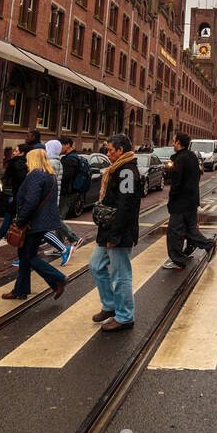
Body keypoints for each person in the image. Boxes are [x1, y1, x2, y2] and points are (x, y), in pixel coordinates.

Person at [89, 134, 141, 332]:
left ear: (121, 150)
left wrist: (115, 236)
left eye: (110, 150)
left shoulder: (127, 171)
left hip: (119, 232)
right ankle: (110, 305)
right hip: (108, 230)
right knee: (96, 265)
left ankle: (125, 316)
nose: (108, 153)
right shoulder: (117, 169)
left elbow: (125, 206)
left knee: (121, 275)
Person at [1, 148, 67, 301]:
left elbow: (31, 201)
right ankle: (20, 289)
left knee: (29, 256)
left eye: (28, 159)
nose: (26, 163)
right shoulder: (49, 175)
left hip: (33, 223)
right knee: (24, 256)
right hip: (42, 222)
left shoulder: (36, 175)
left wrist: (21, 221)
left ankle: (58, 278)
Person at [164, 132, 215, 270]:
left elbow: (176, 183)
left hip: (180, 202)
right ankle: (208, 245)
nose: (172, 144)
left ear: (179, 142)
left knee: (174, 232)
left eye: (174, 141)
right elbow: (198, 174)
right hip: (192, 200)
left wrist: (172, 200)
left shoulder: (180, 159)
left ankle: (178, 260)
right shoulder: (192, 156)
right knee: (191, 229)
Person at [0, 145, 28, 249]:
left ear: (22, 153)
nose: (14, 153)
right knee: (10, 216)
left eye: (16, 151)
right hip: (19, 194)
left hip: (17, 195)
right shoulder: (25, 163)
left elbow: (15, 180)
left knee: (11, 216)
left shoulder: (15, 164)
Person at [52, 137, 86, 247]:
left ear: (67, 145)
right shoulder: (68, 158)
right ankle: (59, 245)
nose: (59, 148)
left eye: (61, 145)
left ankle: (75, 238)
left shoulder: (71, 160)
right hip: (66, 192)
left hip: (67, 193)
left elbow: (66, 177)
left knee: (57, 219)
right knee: (58, 218)